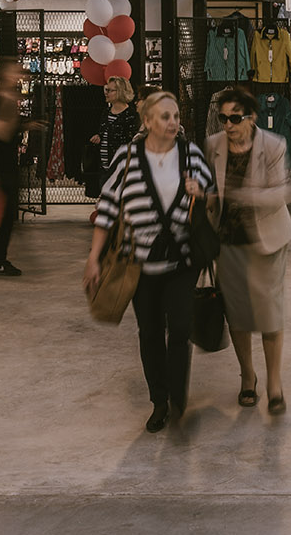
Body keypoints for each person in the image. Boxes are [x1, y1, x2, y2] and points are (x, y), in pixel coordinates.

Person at [86, 90, 215, 433]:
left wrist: (201, 194)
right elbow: (109, 209)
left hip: (182, 261)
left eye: (175, 116)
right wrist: (94, 258)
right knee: (151, 333)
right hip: (139, 264)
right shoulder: (126, 158)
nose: (173, 122)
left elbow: (213, 203)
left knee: (182, 329)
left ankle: (177, 397)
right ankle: (160, 400)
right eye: (164, 116)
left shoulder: (192, 157)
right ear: (147, 122)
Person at [198, 87, 291, 415]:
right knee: (237, 314)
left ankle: (275, 383)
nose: (227, 125)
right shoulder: (213, 146)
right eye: (223, 118)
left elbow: (278, 195)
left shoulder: (273, 145)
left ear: (251, 117)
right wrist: (203, 196)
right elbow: (212, 191)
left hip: (266, 240)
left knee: (268, 313)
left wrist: (241, 195)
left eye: (234, 118)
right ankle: (248, 377)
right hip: (228, 241)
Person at [0, 60, 42, 277]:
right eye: (15, 72)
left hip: (7, 162)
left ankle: (0, 258)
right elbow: (0, 131)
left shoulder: (7, 98)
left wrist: (24, 124)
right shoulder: (3, 99)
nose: (20, 75)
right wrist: (20, 125)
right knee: (9, 214)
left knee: (10, 214)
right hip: (4, 164)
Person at [87, 76, 139, 200]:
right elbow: (104, 133)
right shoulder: (106, 113)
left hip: (121, 168)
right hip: (104, 167)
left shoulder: (131, 115)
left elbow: (132, 141)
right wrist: (99, 137)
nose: (107, 93)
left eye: (110, 90)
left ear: (120, 92)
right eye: (106, 90)